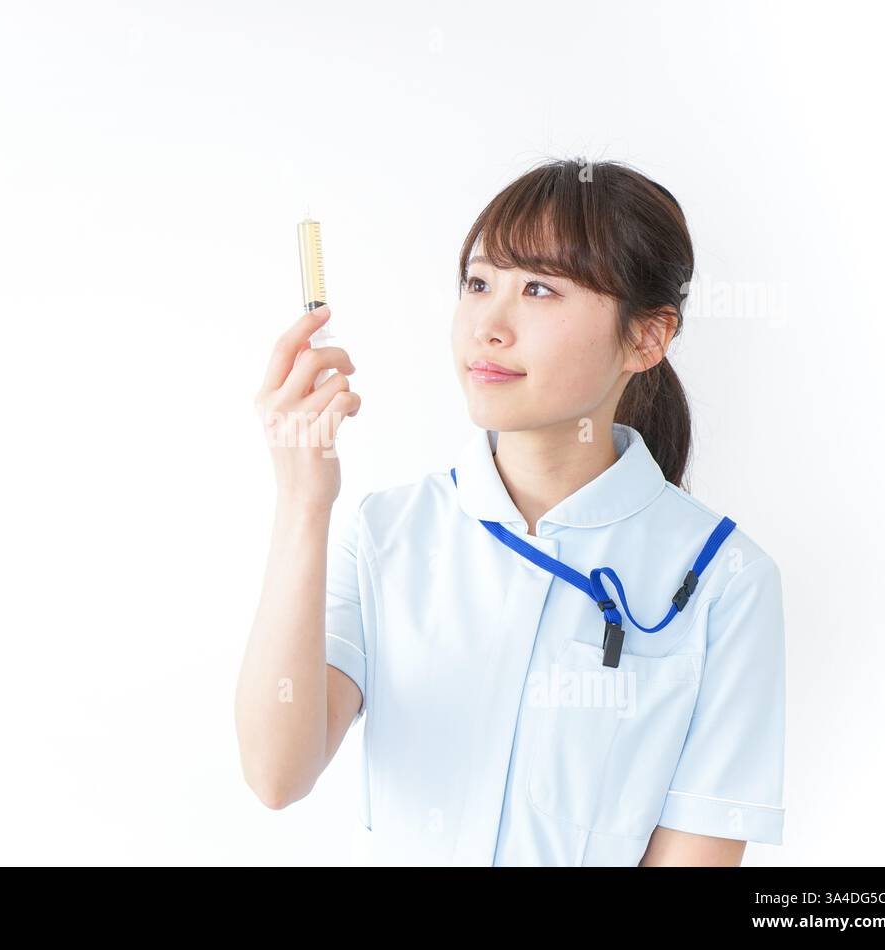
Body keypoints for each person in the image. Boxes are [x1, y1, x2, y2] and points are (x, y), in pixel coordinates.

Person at [234, 158, 786, 866]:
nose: (487, 326)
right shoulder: (388, 533)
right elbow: (276, 775)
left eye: (537, 289)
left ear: (646, 337)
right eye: (478, 282)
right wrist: (303, 500)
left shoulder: (725, 581)